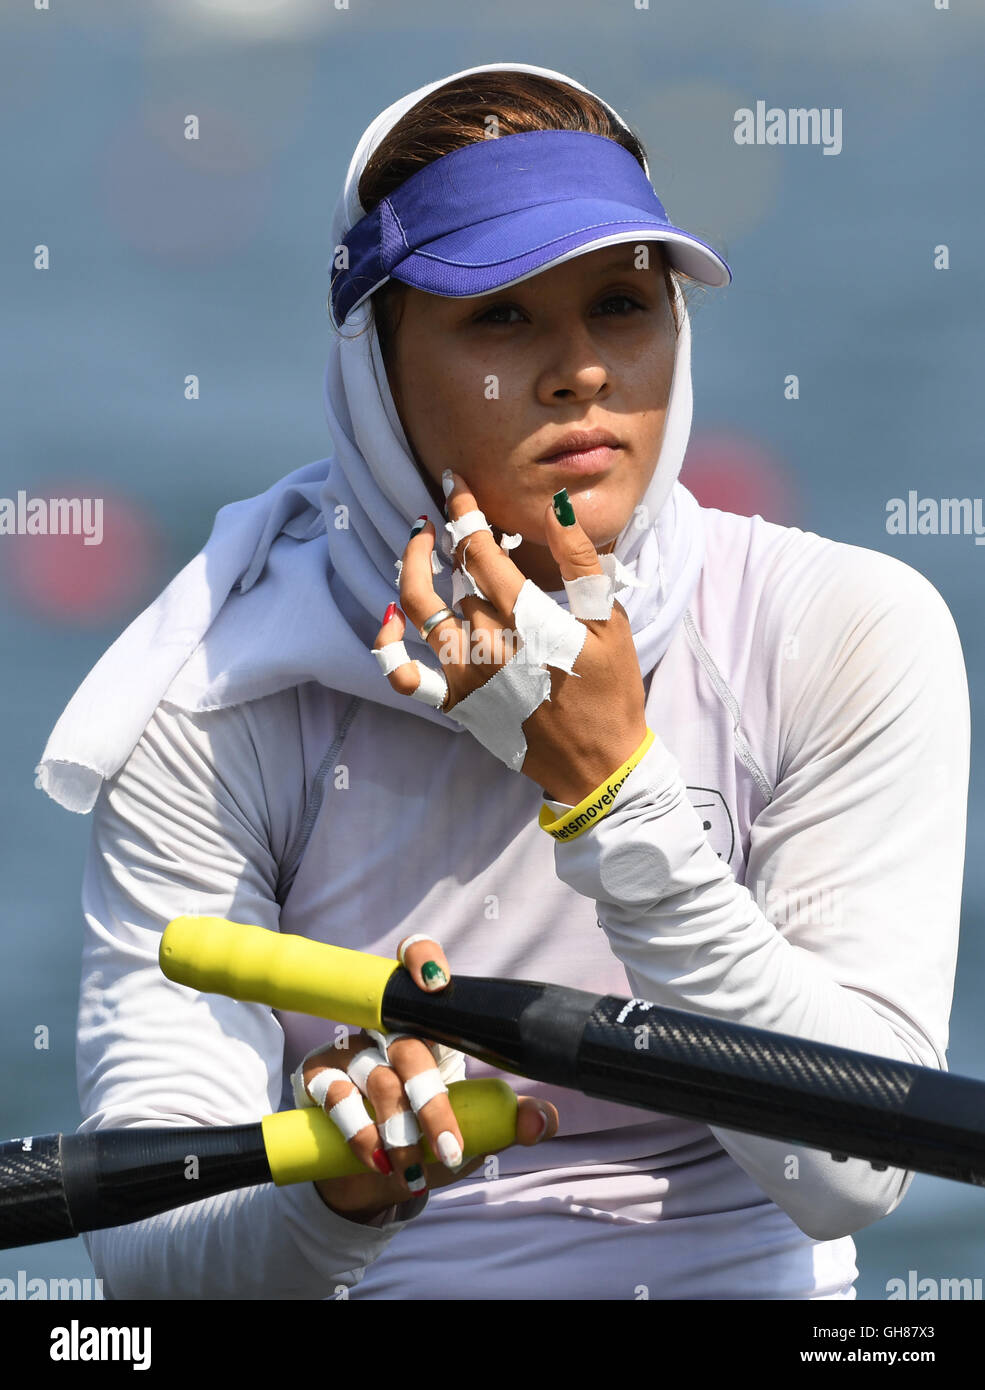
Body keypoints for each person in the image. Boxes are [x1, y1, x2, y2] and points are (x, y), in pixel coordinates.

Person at [35, 61, 970, 1301]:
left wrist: (614, 795)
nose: (580, 370)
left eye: (622, 305)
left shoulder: (844, 630)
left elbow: (852, 1173)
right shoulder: (210, 706)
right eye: (502, 317)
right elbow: (156, 1282)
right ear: (376, 366)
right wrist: (337, 1189)